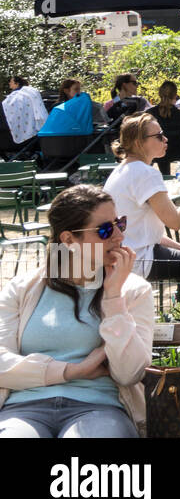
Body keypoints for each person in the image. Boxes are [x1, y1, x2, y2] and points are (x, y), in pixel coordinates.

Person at [0, 185, 152, 438]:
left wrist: (113, 297)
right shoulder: (23, 289)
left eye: (119, 224)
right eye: (104, 230)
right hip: (23, 409)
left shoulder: (133, 291)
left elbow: (129, 373)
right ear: (69, 240)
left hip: (100, 408)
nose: (118, 236)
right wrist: (72, 371)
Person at [103, 113, 180, 285]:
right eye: (158, 136)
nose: (165, 139)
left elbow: (147, 234)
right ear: (138, 142)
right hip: (142, 260)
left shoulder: (123, 169)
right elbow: (176, 221)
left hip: (129, 257)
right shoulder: (144, 172)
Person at [145, 80, 180, 168]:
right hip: (177, 151)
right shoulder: (179, 114)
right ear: (175, 95)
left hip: (156, 150)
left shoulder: (150, 113)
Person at [3, 75, 47, 144]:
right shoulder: (23, 95)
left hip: (8, 137)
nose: (9, 83)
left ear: (17, 84)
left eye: (11, 82)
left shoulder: (17, 96)